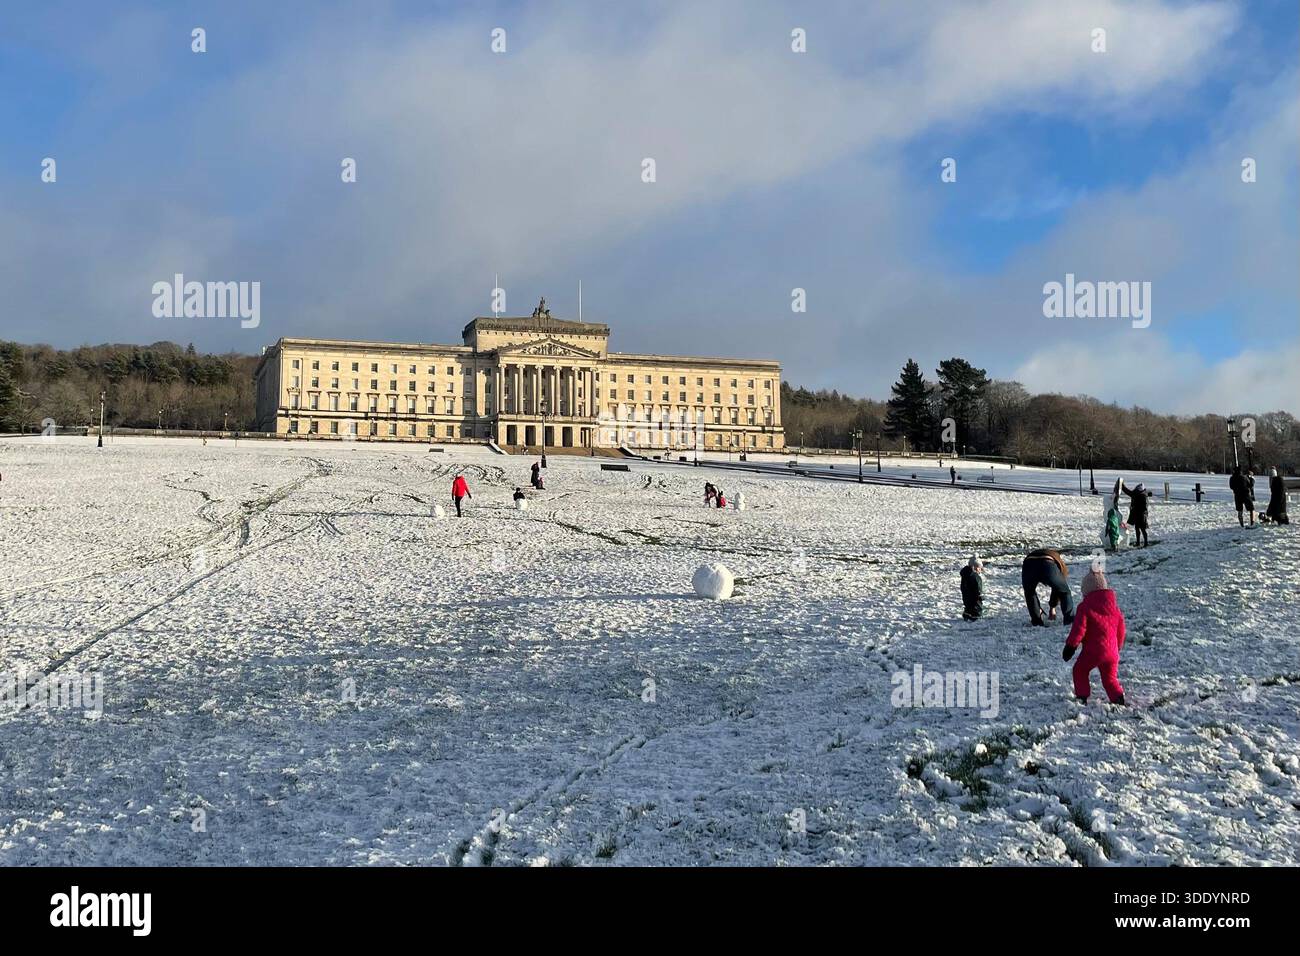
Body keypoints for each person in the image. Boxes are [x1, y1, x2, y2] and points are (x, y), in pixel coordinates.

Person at [1062, 569, 1126, 705]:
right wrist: (1118, 647)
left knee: (1080, 670)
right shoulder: (1115, 609)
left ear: (1087, 591)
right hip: (1113, 652)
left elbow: (1078, 630)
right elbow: (1121, 630)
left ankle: (1082, 696)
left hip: (1094, 651)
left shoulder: (1084, 607)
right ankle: (1118, 697)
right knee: (1110, 678)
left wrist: (1070, 646)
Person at [1022, 548, 1074, 626]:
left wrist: (1052, 607)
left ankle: (1036, 621)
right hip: (1048, 565)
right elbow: (1058, 589)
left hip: (1029, 564)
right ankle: (1069, 620)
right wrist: (1052, 607)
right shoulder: (1059, 561)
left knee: (1029, 592)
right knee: (1064, 592)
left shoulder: (1050, 555)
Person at [1125, 483, 1152, 547]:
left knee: (1142, 529)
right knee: (1137, 529)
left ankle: (1145, 543)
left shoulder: (1143, 495)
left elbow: (1144, 507)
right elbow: (1129, 492)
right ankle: (1138, 542)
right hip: (1137, 514)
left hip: (1142, 515)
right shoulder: (1139, 494)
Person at [960, 555, 984, 621]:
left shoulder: (965, 575)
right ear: (975, 567)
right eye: (980, 567)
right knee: (976, 609)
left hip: (967, 601)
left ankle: (967, 614)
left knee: (969, 605)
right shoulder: (976, 577)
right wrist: (981, 596)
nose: (981, 570)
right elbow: (978, 589)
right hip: (975, 605)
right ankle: (976, 616)